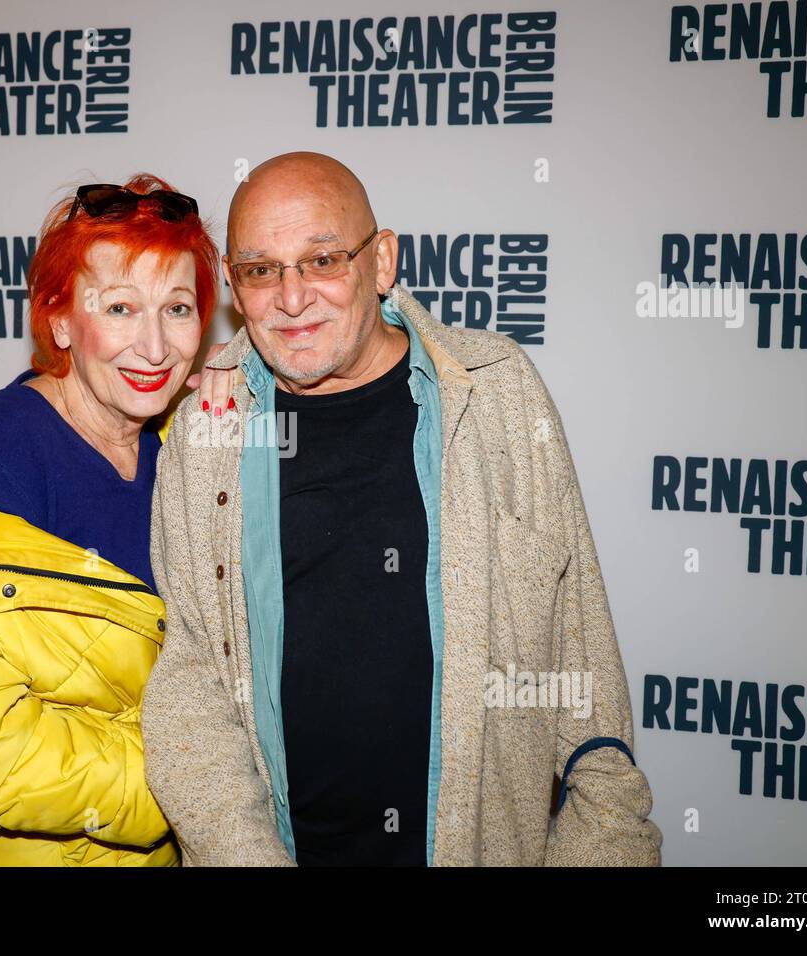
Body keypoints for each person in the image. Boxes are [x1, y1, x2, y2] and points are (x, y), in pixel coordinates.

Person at [140, 151, 664, 866]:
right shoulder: (207, 430)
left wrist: (606, 843)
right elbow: (192, 689)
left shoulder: (498, 392)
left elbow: (583, 656)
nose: (292, 298)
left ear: (382, 261)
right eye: (261, 270)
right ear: (234, 284)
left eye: (323, 260)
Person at [0, 174, 234, 866]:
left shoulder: (171, 446)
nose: (155, 346)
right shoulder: (3, 449)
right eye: (120, 307)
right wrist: (194, 790)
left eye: (177, 308)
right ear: (60, 322)